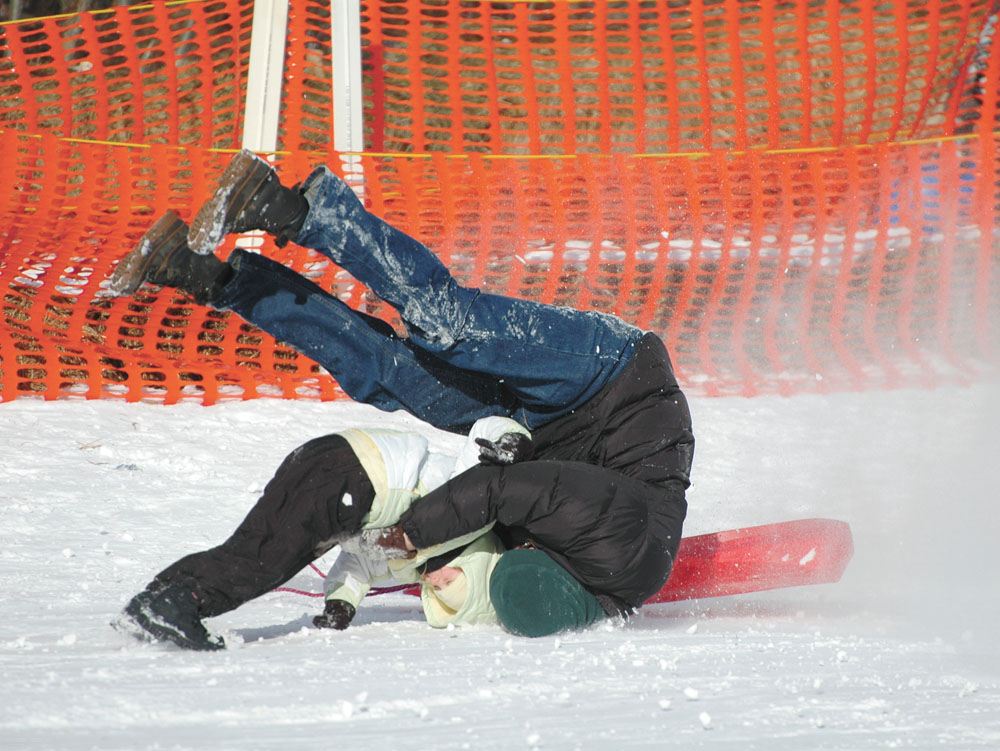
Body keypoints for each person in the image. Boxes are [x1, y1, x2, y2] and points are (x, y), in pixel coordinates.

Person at [111, 149, 695, 643]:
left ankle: (213, 279)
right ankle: (294, 208)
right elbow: (498, 490)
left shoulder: (552, 576)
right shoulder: (622, 546)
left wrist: (373, 564)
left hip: (533, 428)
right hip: (611, 377)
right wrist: (408, 536)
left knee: (393, 378)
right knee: (450, 327)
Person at [119, 416, 530, 650]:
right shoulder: (471, 508)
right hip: (361, 474)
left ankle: (156, 600)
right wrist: (512, 439)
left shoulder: (412, 561)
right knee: (264, 560)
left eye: (439, 592)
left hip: (338, 470)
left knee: (254, 551)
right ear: (475, 563)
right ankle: (179, 603)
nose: (436, 580)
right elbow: (484, 430)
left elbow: (359, 563)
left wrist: (342, 602)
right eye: (453, 580)